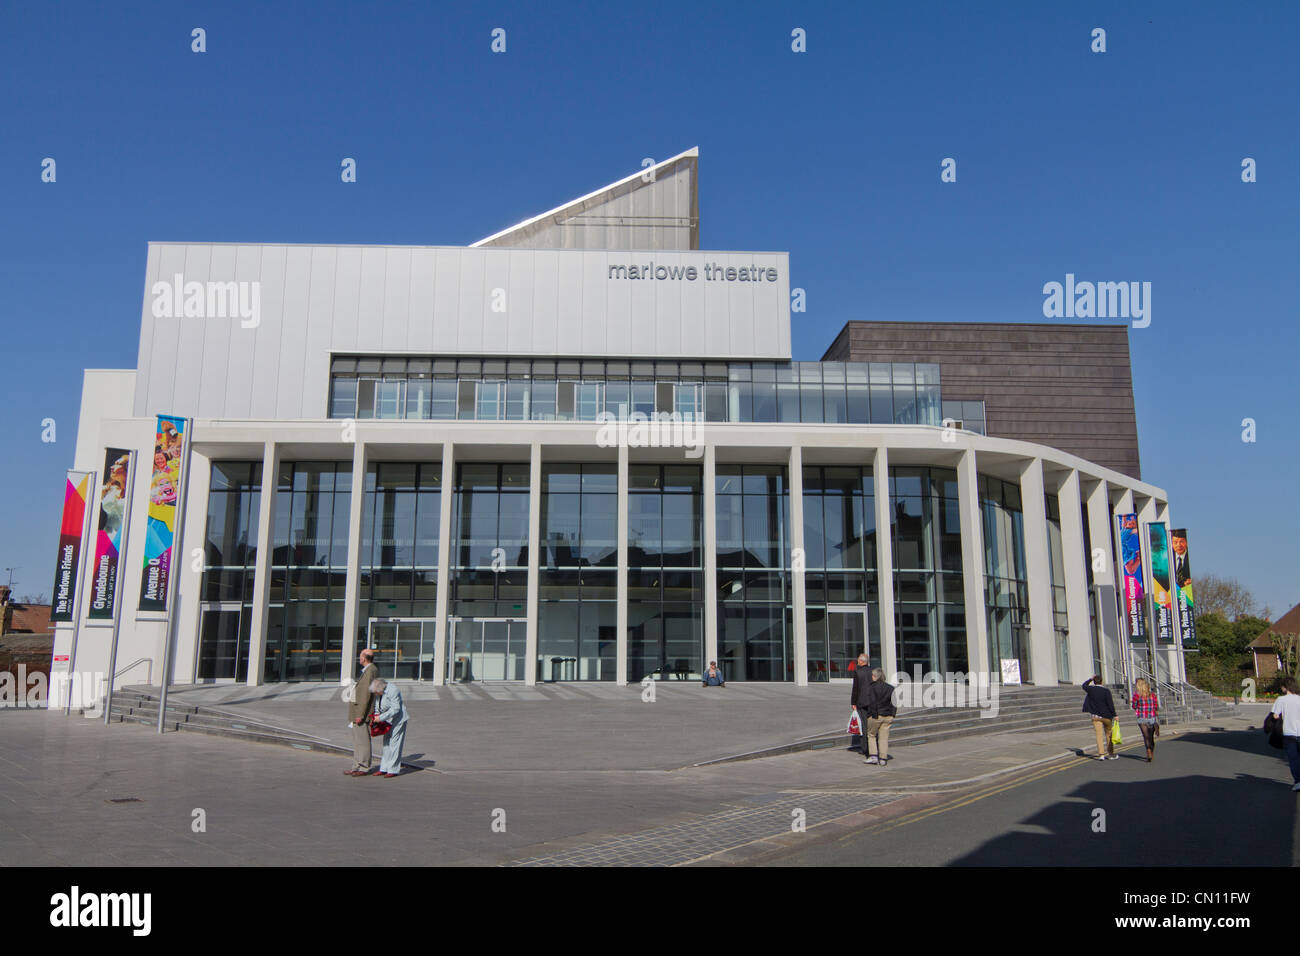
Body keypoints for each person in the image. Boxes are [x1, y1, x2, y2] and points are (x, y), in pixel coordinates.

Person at [345, 648, 379, 776]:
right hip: (357, 712)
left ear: (364, 658)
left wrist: (360, 714)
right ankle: (356, 766)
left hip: (361, 713)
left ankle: (363, 766)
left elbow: (365, 695)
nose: (359, 658)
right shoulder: (368, 670)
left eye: (360, 656)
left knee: (363, 741)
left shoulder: (370, 671)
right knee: (357, 741)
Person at [369, 678, 409, 778]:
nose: (376, 694)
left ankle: (393, 769)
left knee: (395, 744)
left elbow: (396, 708)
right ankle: (384, 768)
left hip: (398, 720)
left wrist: (381, 717)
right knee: (386, 744)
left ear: (381, 688)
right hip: (387, 721)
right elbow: (377, 706)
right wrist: (376, 716)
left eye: (376, 692)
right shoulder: (379, 692)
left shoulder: (393, 690)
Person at [1270, 677, 1300, 792]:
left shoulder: (1281, 700)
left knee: (1294, 759)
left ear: (1285, 687)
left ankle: (1298, 782)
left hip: (1289, 733)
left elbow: (1275, 715)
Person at [863, 667, 897, 766]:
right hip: (888, 716)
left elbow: (872, 702)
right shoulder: (890, 688)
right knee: (884, 737)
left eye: (872, 676)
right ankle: (883, 758)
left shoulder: (872, 687)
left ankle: (873, 757)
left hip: (876, 715)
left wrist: (872, 714)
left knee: (871, 735)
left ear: (875, 676)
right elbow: (894, 703)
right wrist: (893, 714)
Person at [1082, 674, 1117, 760]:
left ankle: (1101, 754)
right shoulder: (1106, 691)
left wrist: (1090, 678)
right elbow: (1110, 704)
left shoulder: (1091, 689)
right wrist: (1115, 714)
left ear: (1094, 682)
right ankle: (1110, 753)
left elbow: (1084, 685)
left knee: (1099, 735)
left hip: (1095, 716)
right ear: (1102, 681)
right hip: (1106, 716)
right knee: (1109, 735)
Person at [1131, 677, 1160, 762]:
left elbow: (1134, 706)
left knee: (1146, 736)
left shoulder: (1136, 695)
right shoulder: (1152, 695)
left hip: (1141, 718)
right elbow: (1155, 706)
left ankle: (1148, 750)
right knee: (1151, 737)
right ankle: (1151, 750)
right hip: (1151, 718)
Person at [848, 652, 871, 753]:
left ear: (862, 662)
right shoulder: (872, 671)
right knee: (870, 725)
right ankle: (872, 746)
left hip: (861, 702)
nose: (857, 661)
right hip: (871, 701)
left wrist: (853, 702)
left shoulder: (857, 672)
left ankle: (865, 748)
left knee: (863, 725)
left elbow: (855, 689)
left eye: (858, 660)